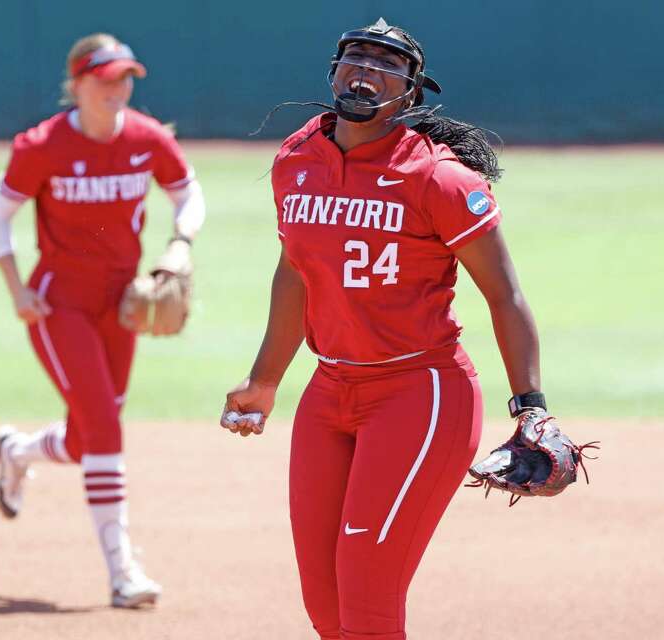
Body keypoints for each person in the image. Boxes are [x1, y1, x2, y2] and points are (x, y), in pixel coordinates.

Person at [220, 18, 549, 639]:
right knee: (326, 604)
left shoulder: (439, 178)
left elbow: (504, 296)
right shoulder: (297, 157)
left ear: (411, 92)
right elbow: (296, 271)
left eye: (386, 65)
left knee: (368, 603)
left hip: (418, 395)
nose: (365, 71)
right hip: (328, 393)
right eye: (356, 58)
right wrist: (265, 381)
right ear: (333, 70)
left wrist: (530, 405)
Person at [0, 33, 206, 608]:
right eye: (105, 78)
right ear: (77, 83)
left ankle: (19, 452)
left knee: (88, 438)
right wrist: (17, 290)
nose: (117, 88)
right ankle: (123, 570)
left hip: (123, 304)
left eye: (125, 77)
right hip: (59, 305)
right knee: (105, 431)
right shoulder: (41, 146)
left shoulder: (145, 138)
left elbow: (188, 194)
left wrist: (179, 245)